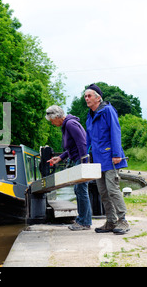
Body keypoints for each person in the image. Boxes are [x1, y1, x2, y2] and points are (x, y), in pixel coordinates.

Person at [84, 83, 130, 235]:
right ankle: (110, 221)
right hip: (97, 160)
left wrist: (117, 154)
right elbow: (88, 140)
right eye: (85, 96)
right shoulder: (89, 117)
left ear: (98, 98)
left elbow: (115, 131)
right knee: (102, 191)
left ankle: (122, 220)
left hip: (111, 157)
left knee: (112, 189)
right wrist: (86, 157)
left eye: (89, 95)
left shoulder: (108, 111)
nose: (86, 98)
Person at [45, 105, 92, 231]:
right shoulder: (66, 126)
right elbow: (71, 147)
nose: (52, 123)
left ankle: (84, 222)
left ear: (57, 117)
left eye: (52, 120)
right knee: (79, 190)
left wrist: (84, 162)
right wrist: (60, 157)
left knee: (81, 190)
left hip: (80, 161)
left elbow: (82, 143)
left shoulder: (70, 124)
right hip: (77, 160)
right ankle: (83, 220)